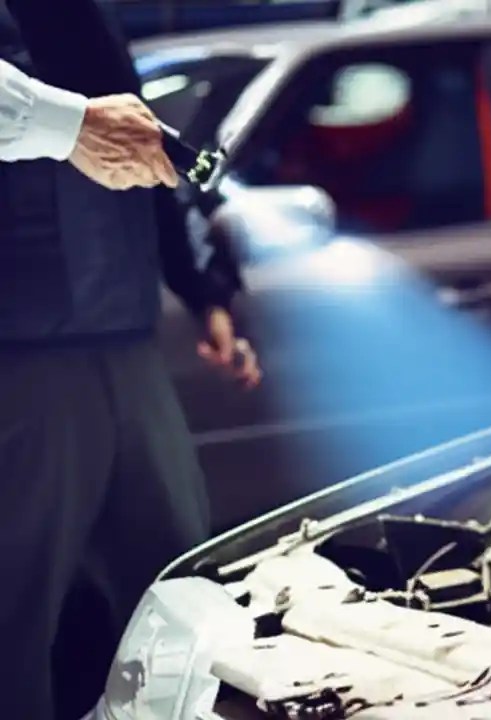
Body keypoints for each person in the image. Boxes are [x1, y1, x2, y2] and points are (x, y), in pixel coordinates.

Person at [0, 1, 262, 718]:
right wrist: (69, 126)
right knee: (14, 619)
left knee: (181, 592)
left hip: (122, 343)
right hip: (19, 359)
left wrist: (202, 290)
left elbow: (145, 149)